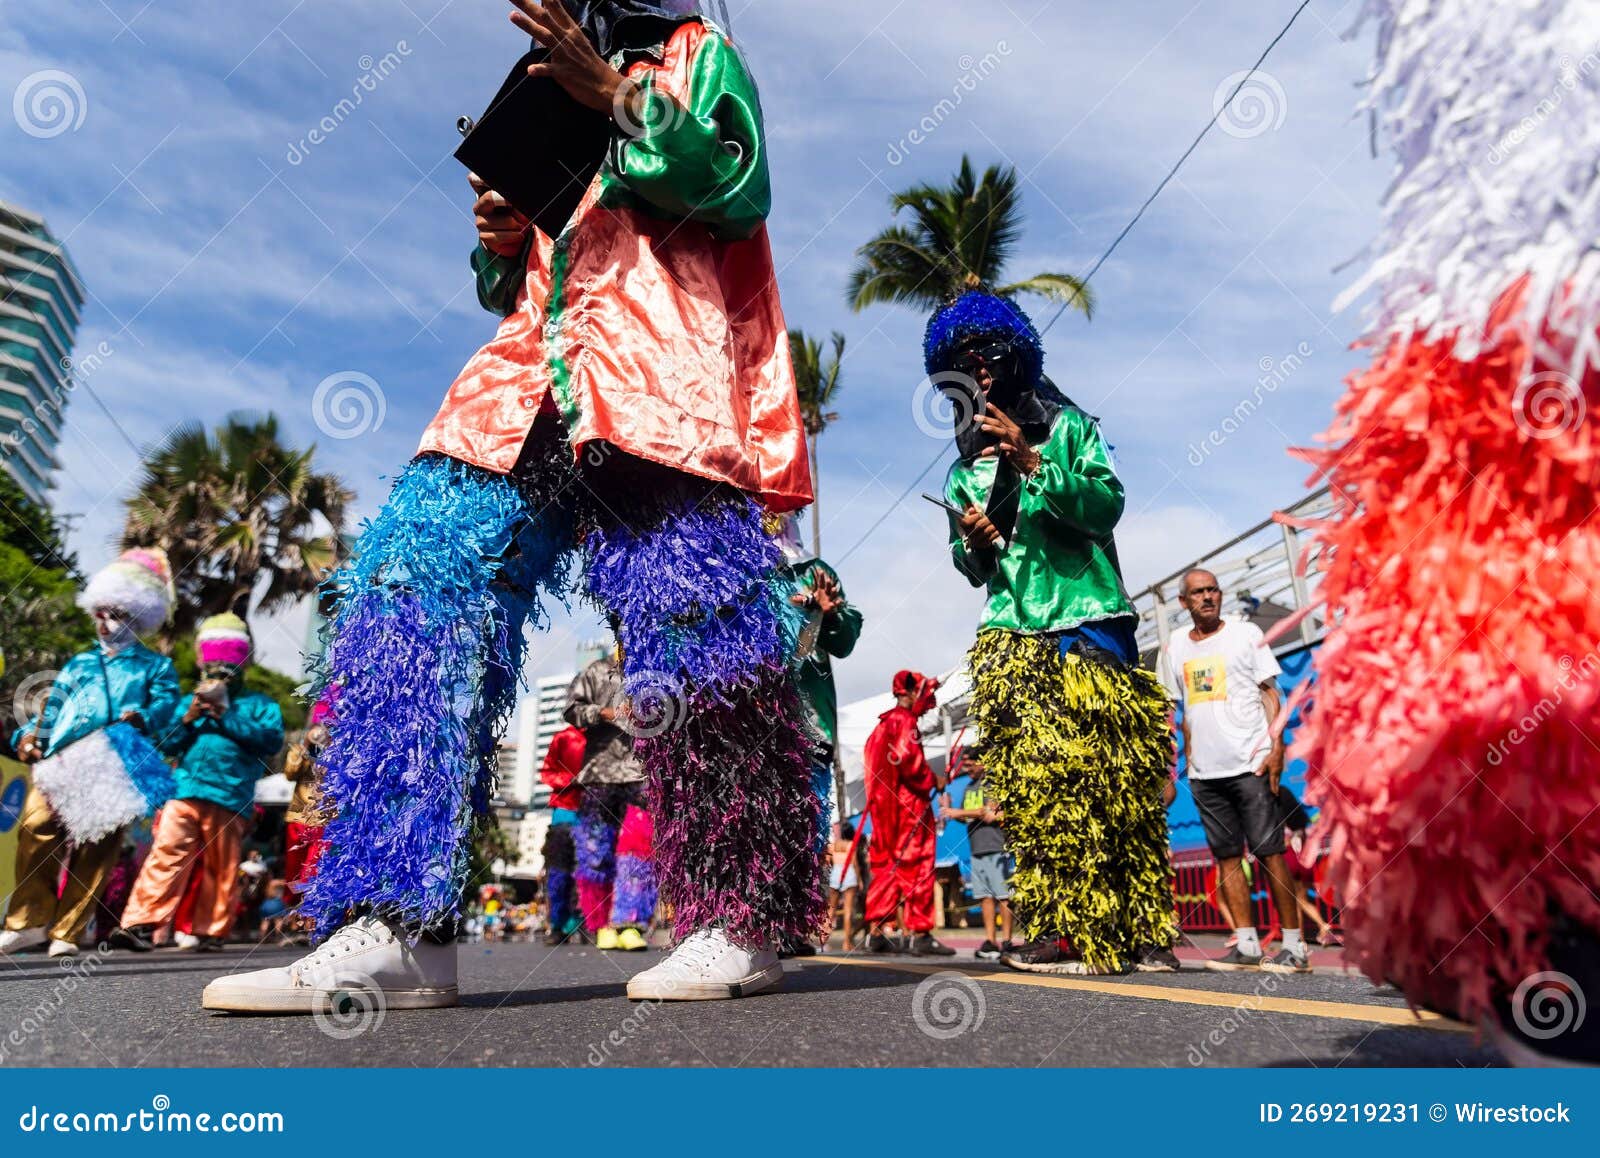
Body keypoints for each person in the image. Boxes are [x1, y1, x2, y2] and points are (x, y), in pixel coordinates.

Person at [202, 0, 822, 1012]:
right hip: (523, 383)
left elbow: (736, 189)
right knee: (409, 591)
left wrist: (616, 97)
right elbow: (519, 279)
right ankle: (396, 929)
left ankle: (734, 917)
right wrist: (500, 235)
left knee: (695, 636)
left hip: (657, 381)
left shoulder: (695, 53)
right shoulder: (532, 74)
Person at [935, 291, 1177, 976]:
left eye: (984, 356)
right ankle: (1061, 929)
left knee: (1115, 778)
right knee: (1037, 790)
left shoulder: (1071, 429)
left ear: (1013, 358)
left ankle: (1142, 928)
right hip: (1012, 636)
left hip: (1089, 618)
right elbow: (968, 563)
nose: (975, 370)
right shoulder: (963, 472)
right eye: (959, 363)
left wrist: (1035, 461)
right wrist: (976, 542)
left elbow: (1105, 507)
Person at [0, 549, 181, 959]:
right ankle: (28, 922)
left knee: (97, 847)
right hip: (62, 759)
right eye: (99, 612)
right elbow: (52, 708)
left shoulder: (156, 667)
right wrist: (27, 737)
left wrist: (145, 717)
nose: (104, 622)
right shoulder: (80, 662)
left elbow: (168, 710)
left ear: (137, 617)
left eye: (115, 612)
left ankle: (68, 930)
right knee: (36, 826)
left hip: (116, 761)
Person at [1160, 570, 1308, 974]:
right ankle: (1246, 944)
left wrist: (1276, 748)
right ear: (1183, 603)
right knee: (1226, 857)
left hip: (1251, 763)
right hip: (1206, 774)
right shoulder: (1173, 647)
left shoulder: (1244, 634)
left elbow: (1270, 692)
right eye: (1198, 593)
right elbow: (1176, 712)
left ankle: (1295, 947)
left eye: (1212, 590)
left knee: (1269, 852)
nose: (1207, 597)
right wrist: (1179, 767)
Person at [110, 615, 286, 953]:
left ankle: (211, 932)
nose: (218, 671)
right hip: (184, 791)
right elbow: (166, 745)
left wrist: (225, 715)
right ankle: (140, 925)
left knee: (221, 869)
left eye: (226, 664)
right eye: (212, 663)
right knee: (165, 856)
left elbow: (270, 741)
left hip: (230, 796)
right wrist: (187, 719)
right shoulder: (186, 704)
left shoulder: (260, 705)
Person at [566, 649, 656, 952]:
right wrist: (605, 713)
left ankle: (630, 923)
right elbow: (571, 709)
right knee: (594, 851)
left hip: (641, 774)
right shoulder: (598, 670)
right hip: (599, 775)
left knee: (640, 848)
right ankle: (600, 924)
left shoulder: (656, 667)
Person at [863, 670, 955, 957]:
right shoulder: (904, 722)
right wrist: (934, 780)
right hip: (908, 808)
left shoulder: (882, 724)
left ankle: (876, 933)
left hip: (886, 812)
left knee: (887, 867)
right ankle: (921, 933)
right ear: (912, 691)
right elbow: (907, 760)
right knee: (919, 866)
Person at [939, 745, 1012, 961]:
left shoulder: (992, 783)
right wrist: (952, 812)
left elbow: (986, 811)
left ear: (983, 762)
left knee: (1003, 896)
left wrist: (956, 811)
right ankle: (991, 940)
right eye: (966, 766)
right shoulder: (970, 787)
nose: (968, 769)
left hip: (995, 846)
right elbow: (968, 817)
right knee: (984, 897)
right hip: (977, 847)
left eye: (971, 765)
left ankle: (1007, 940)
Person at [281, 700, 333, 945]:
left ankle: (309, 922)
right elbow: (290, 772)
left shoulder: (343, 749)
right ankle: (293, 920)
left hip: (326, 821)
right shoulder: (300, 748)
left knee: (312, 872)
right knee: (293, 874)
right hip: (299, 819)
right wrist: (307, 746)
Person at [538, 724, 586, 945]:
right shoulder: (564, 737)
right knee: (558, 871)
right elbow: (547, 772)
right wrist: (570, 780)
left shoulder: (606, 737)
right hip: (564, 812)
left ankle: (585, 922)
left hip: (595, 813)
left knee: (591, 871)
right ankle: (558, 924)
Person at [826, 821, 861, 950]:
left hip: (836, 874)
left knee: (831, 910)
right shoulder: (851, 845)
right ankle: (847, 943)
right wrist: (860, 880)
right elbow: (855, 863)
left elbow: (828, 861)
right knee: (848, 910)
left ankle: (824, 940)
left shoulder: (834, 845)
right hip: (849, 874)